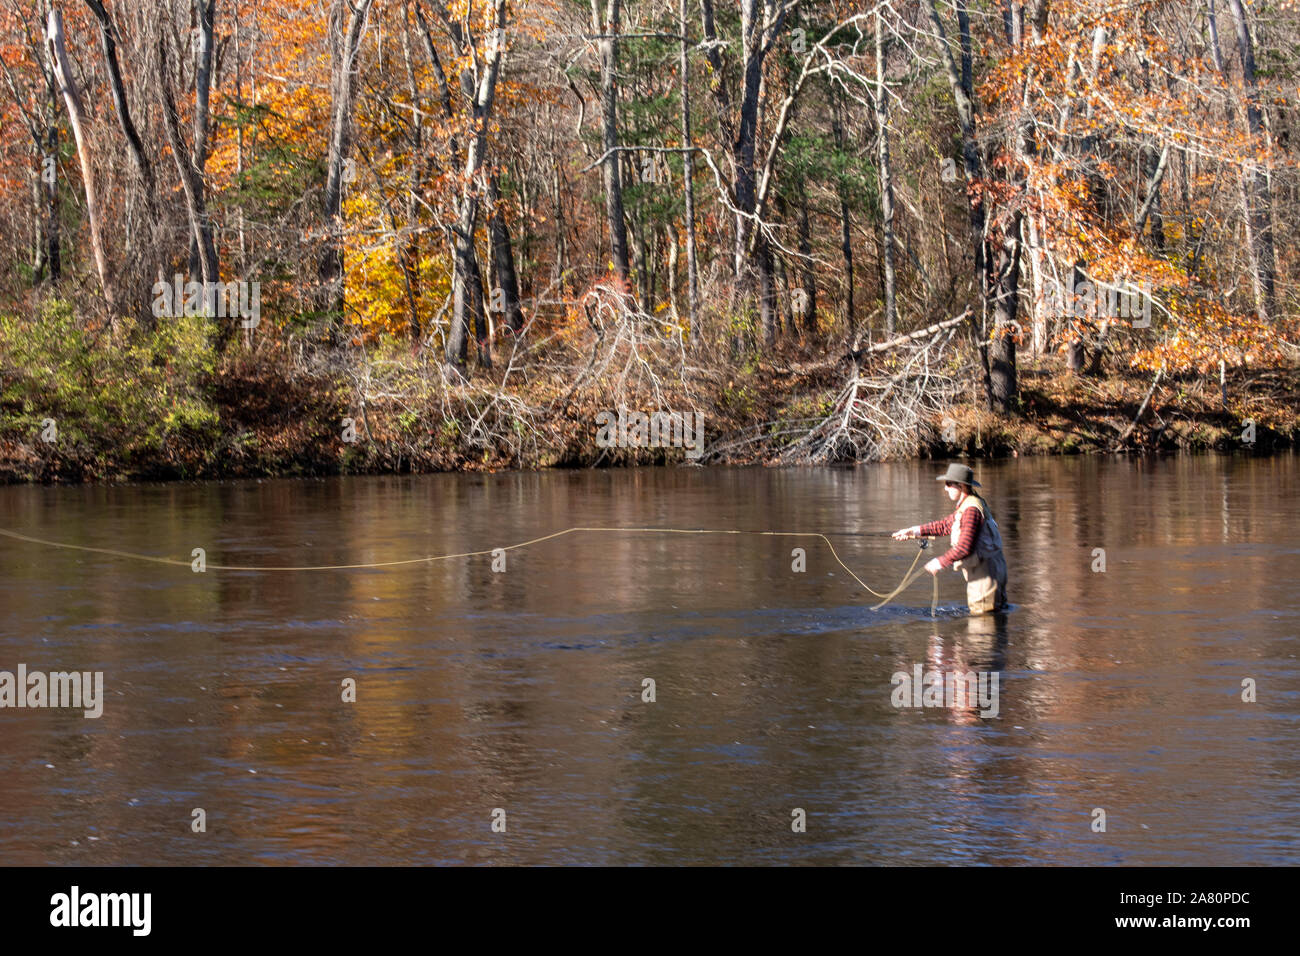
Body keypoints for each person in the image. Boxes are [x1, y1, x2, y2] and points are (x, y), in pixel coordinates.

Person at [892, 463, 1009, 615]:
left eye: (948, 484)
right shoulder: (970, 504)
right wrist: (913, 531)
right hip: (988, 573)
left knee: (983, 627)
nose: (945, 488)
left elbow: (964, 547)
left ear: (961, 486)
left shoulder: (971, 510)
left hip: (984, 578)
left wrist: (939, 562)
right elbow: (945, 525)